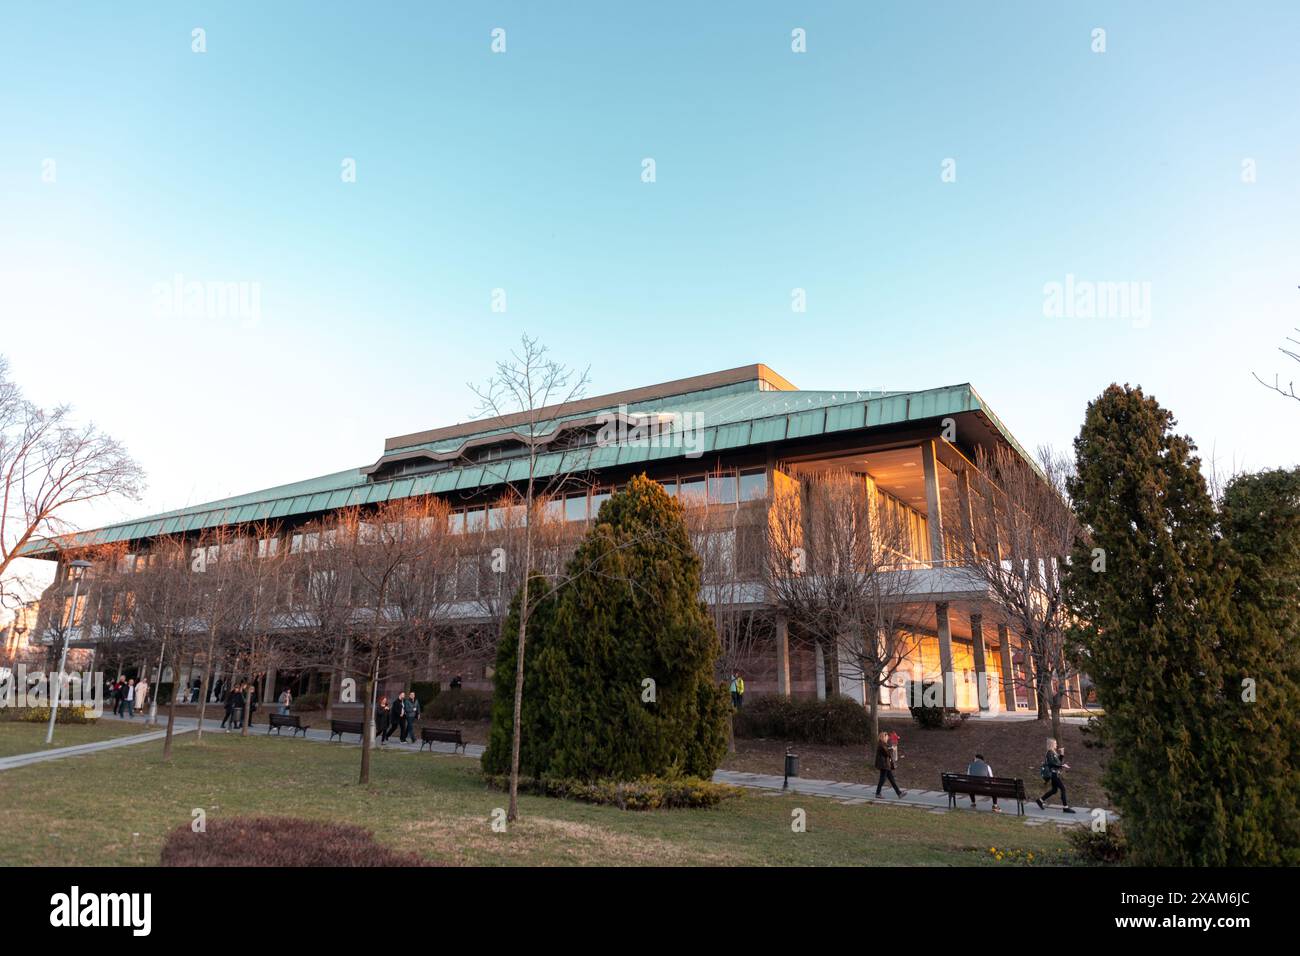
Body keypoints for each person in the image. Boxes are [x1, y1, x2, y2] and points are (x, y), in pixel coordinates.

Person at [1036, 738, 1075, 813]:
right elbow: (1052, 764)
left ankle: (1040, 800)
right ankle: (1065, 807)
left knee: (1054, 790)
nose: (1056, 744)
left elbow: (1058, 762)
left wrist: (1062, 754)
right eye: (1055, 743)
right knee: (1063, 789)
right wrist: (1063, 765)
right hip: (1053, 774)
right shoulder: (1049, 753)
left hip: (1055, 773)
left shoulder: (1053, 753)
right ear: (1051, 744)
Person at [873, 731, 904, 798]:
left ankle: (899, 793)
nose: (888, 738)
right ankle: (878, 793)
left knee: (891, 779)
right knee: (882, 779)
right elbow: (887, 752)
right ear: (883, 737)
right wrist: (892, 749)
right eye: (886, 737)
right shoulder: (881, 745)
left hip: (886, 765)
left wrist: (892, 748)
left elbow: (888, 750)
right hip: (884, 765)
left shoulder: (884, 744)